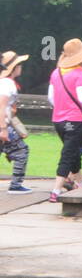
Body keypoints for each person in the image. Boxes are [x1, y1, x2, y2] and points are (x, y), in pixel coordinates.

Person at [48, 38, 82, 202]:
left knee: (73, 151)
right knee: (68, 154)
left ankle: (80, 182)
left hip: (57, 120)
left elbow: (51, 98)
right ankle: (56, 189)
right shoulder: (80, 74)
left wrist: (62, 107)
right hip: (74, 120)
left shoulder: (56, 73)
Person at [0, 51, 33, 194]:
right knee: (21, 151)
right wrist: (3, 128)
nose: (21, 67)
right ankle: (15, 185)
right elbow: (1, 106)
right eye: (19, 65)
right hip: (3, 125)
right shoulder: (7, 83)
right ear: (13, 68)